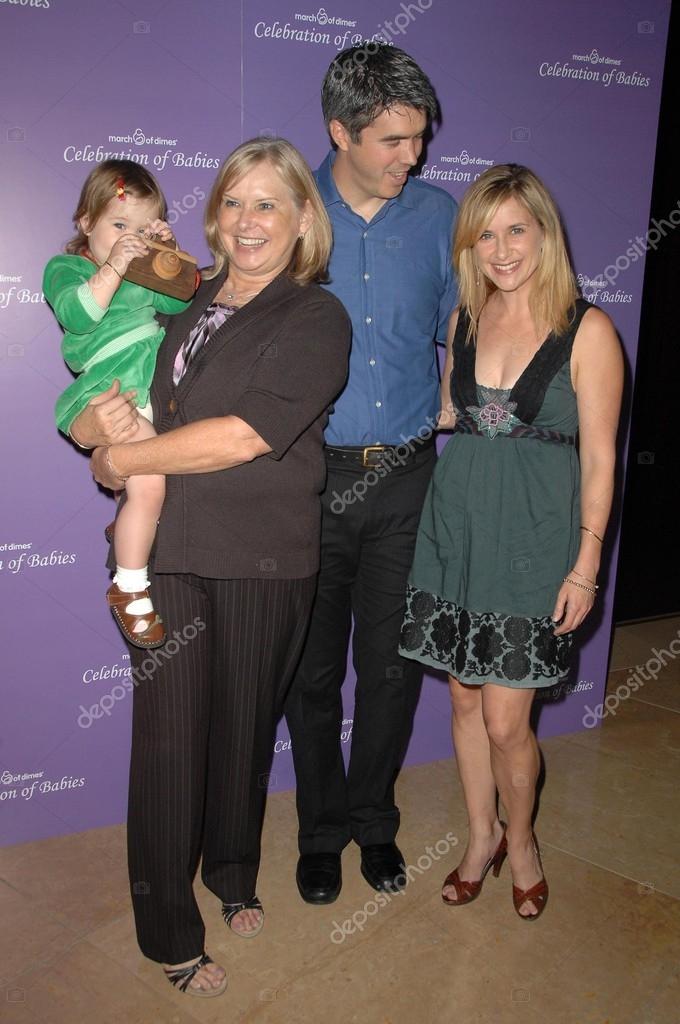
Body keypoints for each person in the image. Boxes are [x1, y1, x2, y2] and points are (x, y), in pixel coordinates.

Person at [70, 138, 350, 996]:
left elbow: (246, 435)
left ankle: (232, 875)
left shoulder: (316, 317)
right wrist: (102, 448)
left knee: (241, 735)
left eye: (269, 203)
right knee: (165, 747)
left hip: (268, 561)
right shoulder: (177, 311)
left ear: (304, 219)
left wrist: (130, 457)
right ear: (212, 220)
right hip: (169, 559)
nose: (248, 220)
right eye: (233, 203)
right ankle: (169, 935)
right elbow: (105, 404)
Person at [399, 164, 623, 919]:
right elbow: (443, 417)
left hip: (534, 537)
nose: (501, 249)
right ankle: (480, 836)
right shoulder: (464, 319)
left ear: (544, 233)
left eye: (516, 230)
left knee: (506, 720)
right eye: (485, 234)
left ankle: (522, 840)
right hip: (456, 524)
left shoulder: (587, 329)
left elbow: (599, 457)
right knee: (464, 703)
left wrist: (586, 564)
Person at [285, 43, 458, 904]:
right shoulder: (286, 210)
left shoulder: (438, 215)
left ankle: (374, 824)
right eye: (393, 140)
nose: (412, 157)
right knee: (312, 672)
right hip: (305, 480)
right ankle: (319, 833)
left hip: (405, 478)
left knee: (391, 668)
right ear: (339, 132)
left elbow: (469, 323)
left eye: (419, 139)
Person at [44, 161, 193, 648]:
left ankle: (128, 519)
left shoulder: (142, 266)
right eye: (118, 225)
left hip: (154, 394)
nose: (129, 237)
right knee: (150, 481)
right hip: (112, 394)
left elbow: (177, 303)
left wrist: (164, 254)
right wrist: (114, 267)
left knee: (155, 488)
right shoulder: (68, 268)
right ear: (87, 222)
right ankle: (129, 590)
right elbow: (78, 315)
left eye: (140, 227)